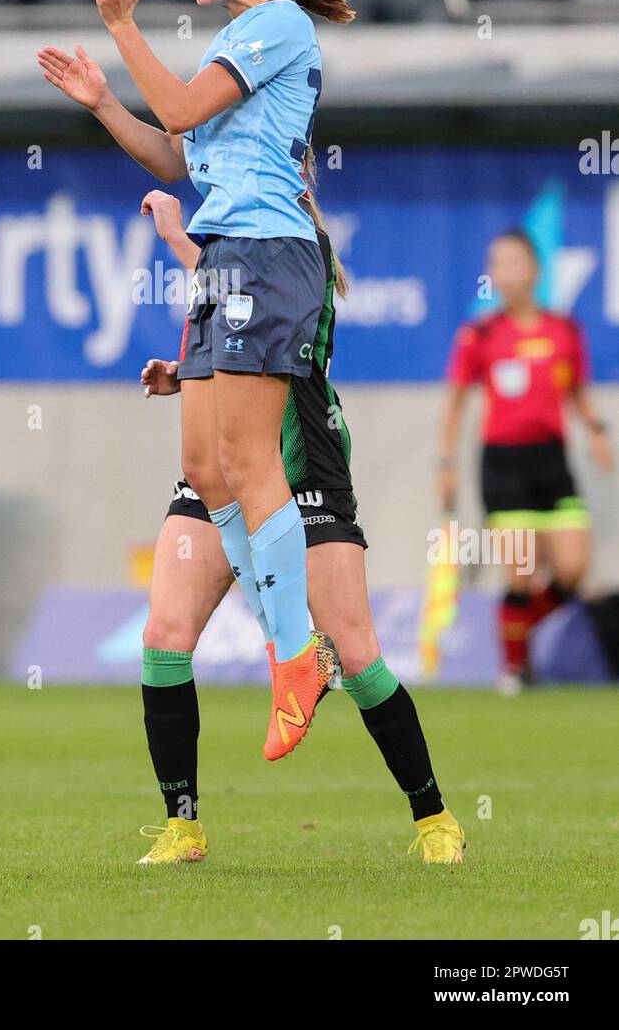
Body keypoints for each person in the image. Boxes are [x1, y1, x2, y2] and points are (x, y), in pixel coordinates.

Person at [42, 0, 353, 760]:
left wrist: (122, 28)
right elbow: (180, 156)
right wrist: (104, 102)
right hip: (226, 252)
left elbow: (179, 112)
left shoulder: (278, 25)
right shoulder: (233, 42)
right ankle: (289, 642)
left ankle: (296, 656)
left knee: (250, 464)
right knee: (202, 466)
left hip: (265, 251)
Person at [133, 186, 464, 866]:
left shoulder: (291, 251)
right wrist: (184, 377)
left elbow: (251, 329)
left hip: (299, 469)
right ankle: (182, 826)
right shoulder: (231, 253)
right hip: (221, 472)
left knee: (356, 650)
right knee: (164, 635)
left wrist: (174, 238)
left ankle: (433, 817)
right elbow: (224, 338)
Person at [439, 229, 613, 692]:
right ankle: (515, 667)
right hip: (503, 464)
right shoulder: (480, 333)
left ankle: (520, 631)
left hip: (552, 461)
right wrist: (447, 464)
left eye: (515, 261)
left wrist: (597, 431)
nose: (505, 271)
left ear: (535, 270)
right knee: (521, 572)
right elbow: (455, 403)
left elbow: (577, 392)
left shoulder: (564, 330)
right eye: (497, 263)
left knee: (573, 569)